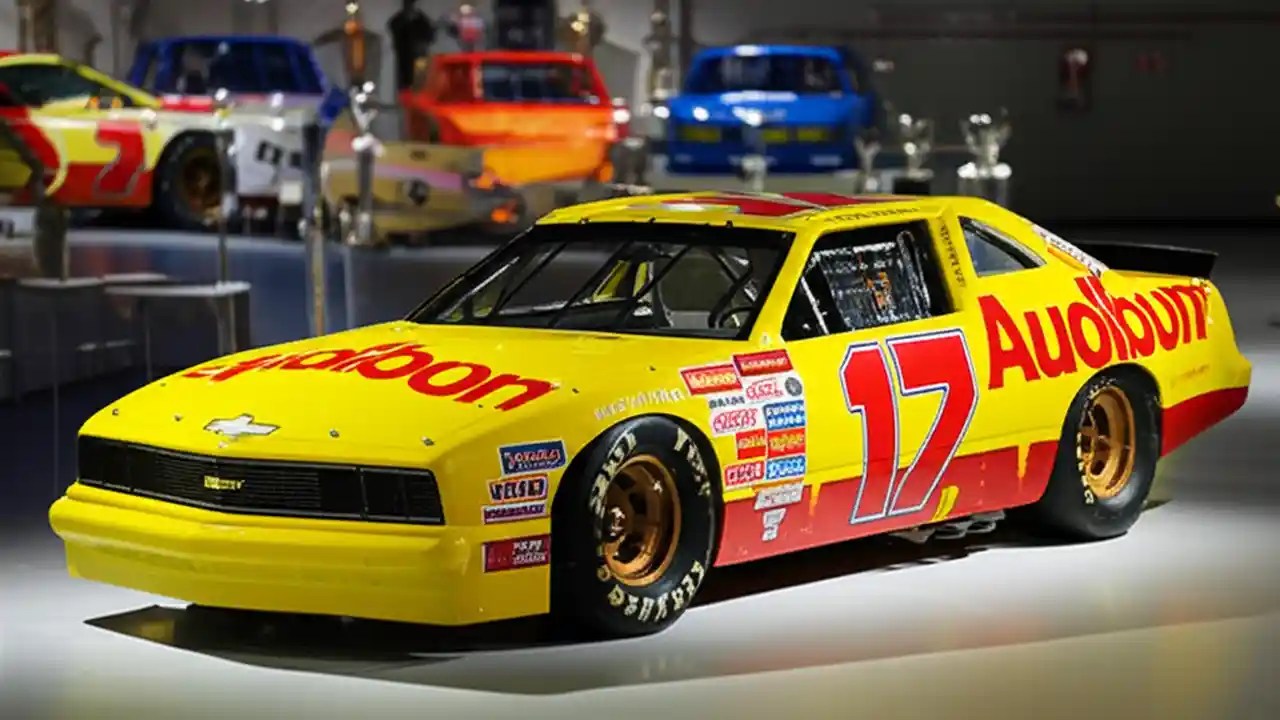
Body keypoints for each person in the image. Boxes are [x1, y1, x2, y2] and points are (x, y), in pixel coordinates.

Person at [388, 0, 436, 91]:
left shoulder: (422, 21)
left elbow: (431, 36)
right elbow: (393, 27)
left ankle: (417, 99)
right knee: (405, 84)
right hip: (405, 56)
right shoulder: (399, 20)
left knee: (419, 84)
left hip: (420, 55)